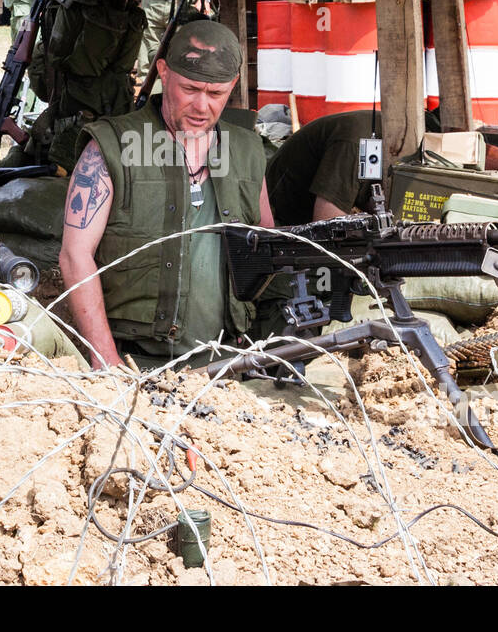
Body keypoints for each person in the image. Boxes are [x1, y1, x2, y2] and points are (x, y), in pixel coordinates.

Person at [59, 20, 272, 371]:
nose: (202, 106)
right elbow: (74, 254)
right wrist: (106, 361)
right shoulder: (113, 146)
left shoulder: (247, 149)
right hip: (135, 360)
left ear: (232, 86)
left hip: (228, 363)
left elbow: (265, 246)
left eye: (216, 94)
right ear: (163, 72)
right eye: (189, 89)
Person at [266, 109, 383, 225]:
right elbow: (328, 224)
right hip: (279, 217)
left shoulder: (388, 139)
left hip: (306, 215)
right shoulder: (357, 146)